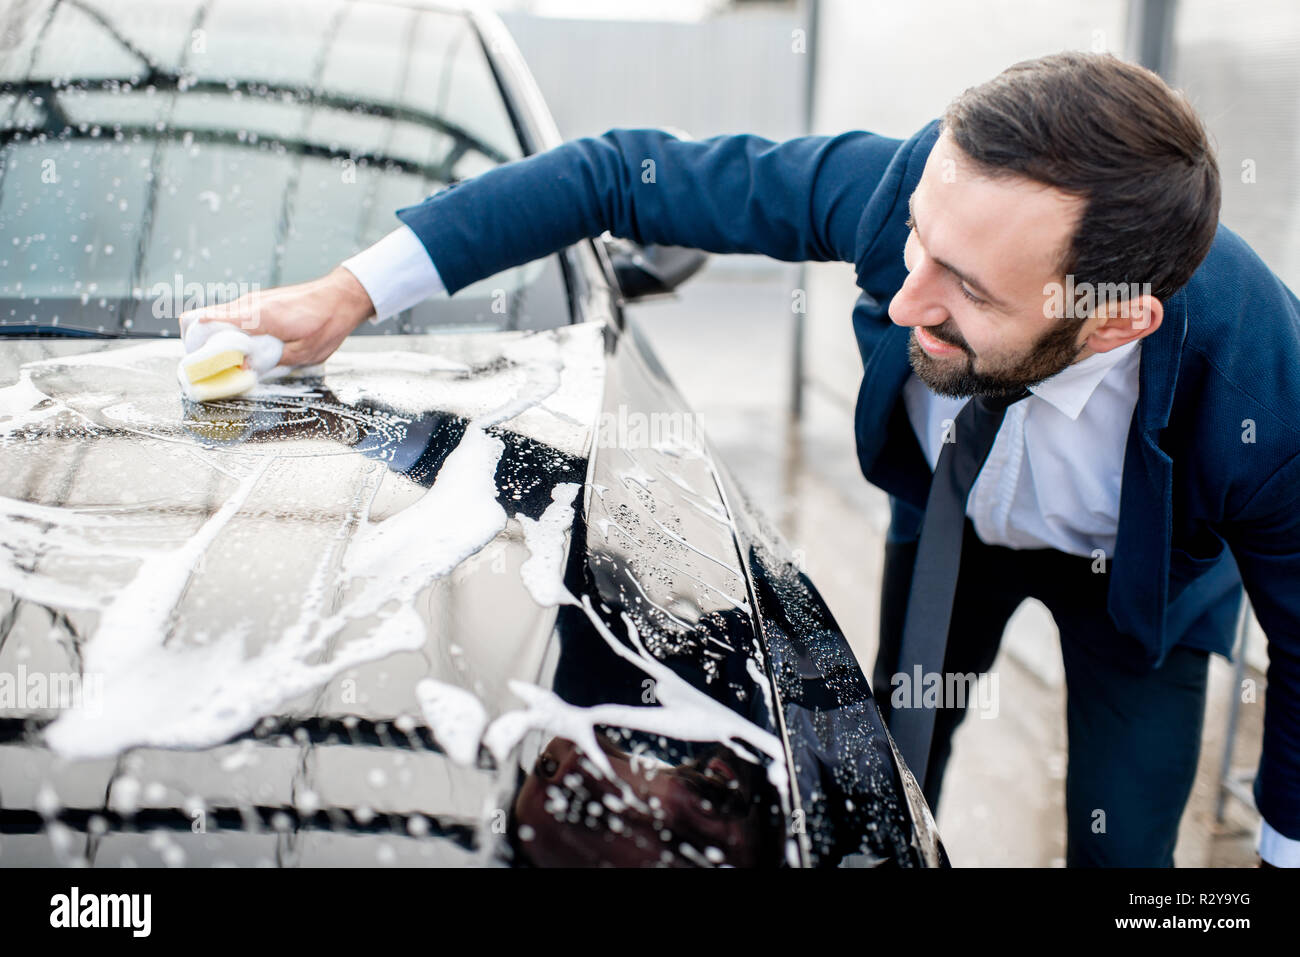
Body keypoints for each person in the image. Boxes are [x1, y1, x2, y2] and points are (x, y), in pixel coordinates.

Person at [181, 51, 1299, 867]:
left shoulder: (1267, 394)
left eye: (966, 291)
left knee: (1126, 850)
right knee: (888, 778)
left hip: (1138, 591)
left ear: (1112, 323)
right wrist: (347, 294)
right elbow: (617, 173)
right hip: (952, 525)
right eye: (917, 240)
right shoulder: (906, 192)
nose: (903, 296)